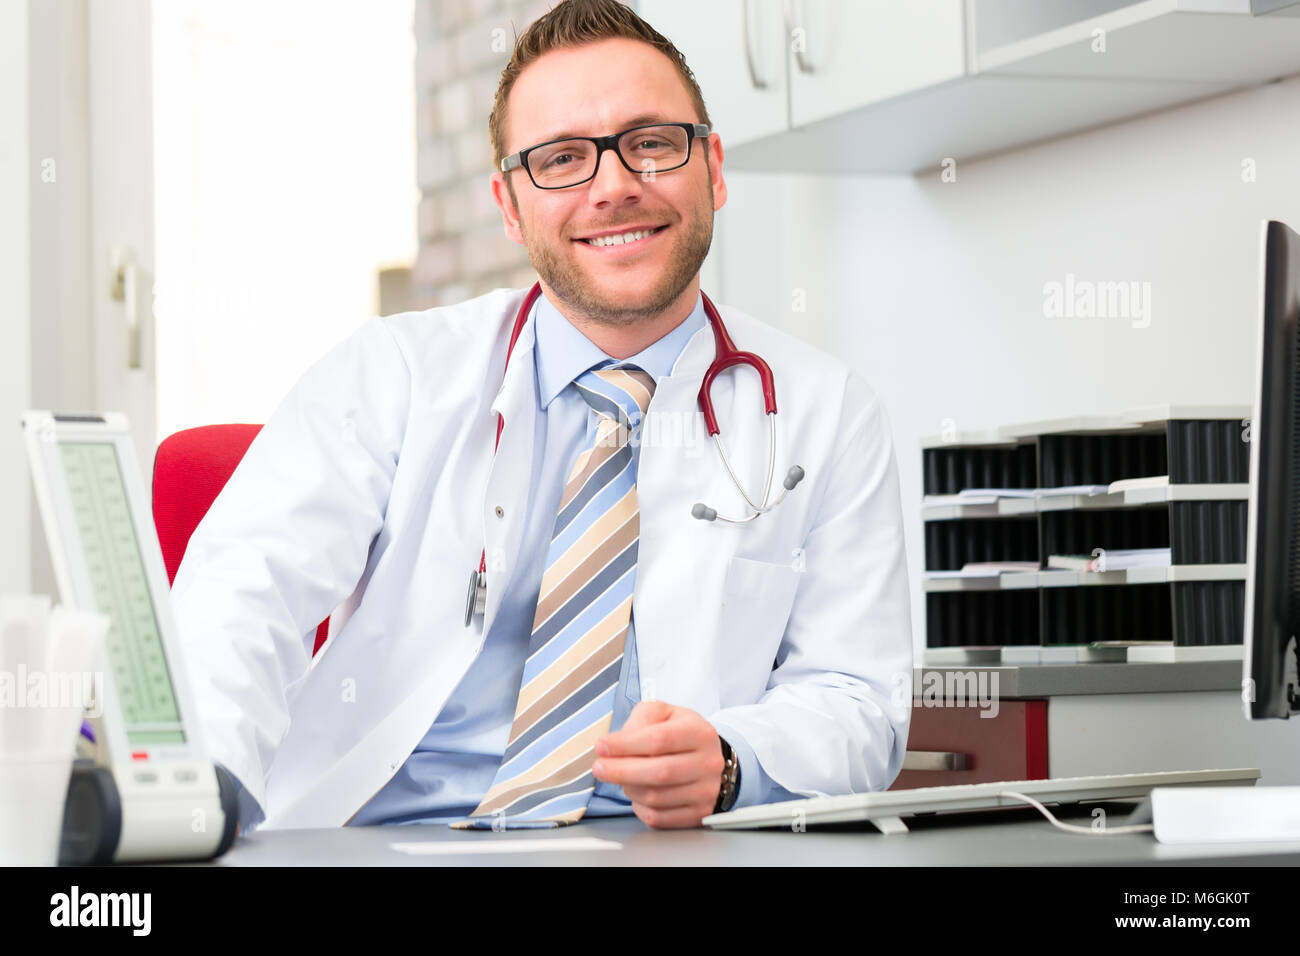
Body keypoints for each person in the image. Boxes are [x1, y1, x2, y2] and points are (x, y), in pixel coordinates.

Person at [171, 0, 912, 833]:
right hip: (386, 842)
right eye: (562, 159)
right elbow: (240, 598)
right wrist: (192, 802)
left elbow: (859, 700)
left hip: (666, 850)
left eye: (653, 143)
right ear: (510, 205)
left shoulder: (828, 412)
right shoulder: (391, 376)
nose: (614, 186)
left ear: (713, 168)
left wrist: (733, 758)